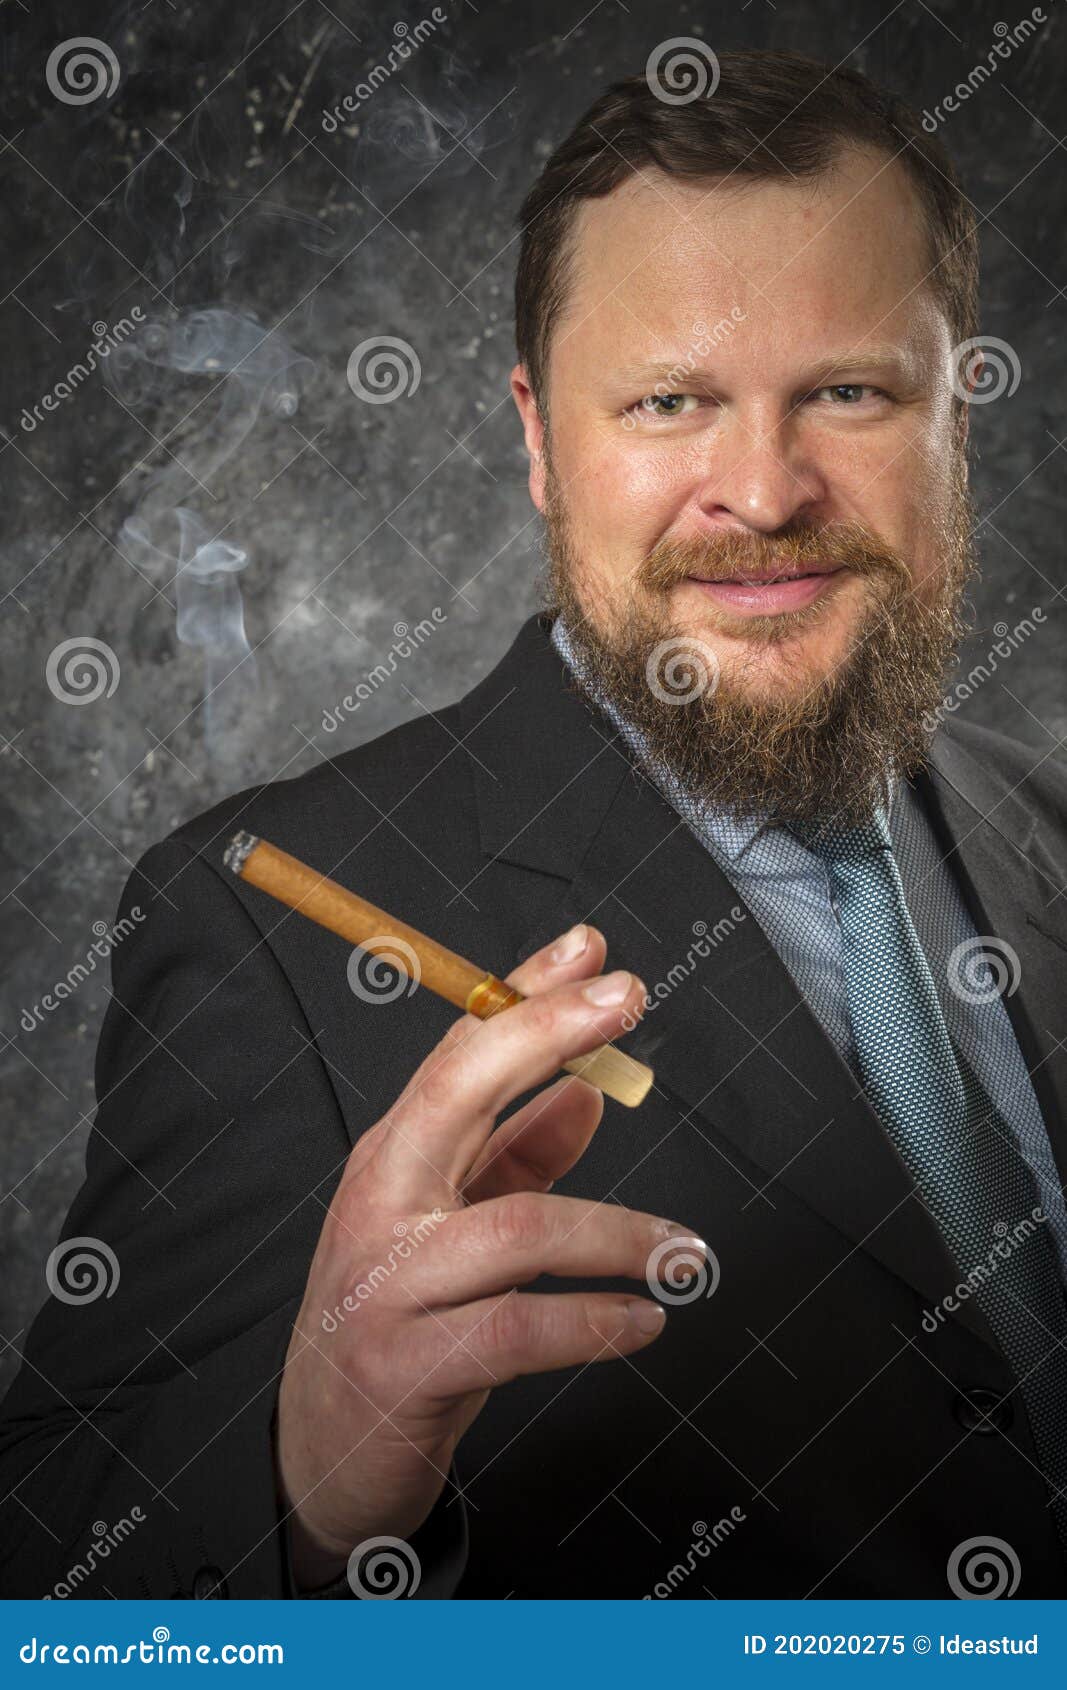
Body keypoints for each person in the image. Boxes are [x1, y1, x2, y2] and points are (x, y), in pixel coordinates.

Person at [2, 48, 1066, 1601]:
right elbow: (47, 1578)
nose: (762, 491)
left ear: (956, 412)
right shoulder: (272, 927)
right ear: (539, 441)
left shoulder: (1049, 822)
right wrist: (310, 1465)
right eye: (668, 401)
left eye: (847, 390)